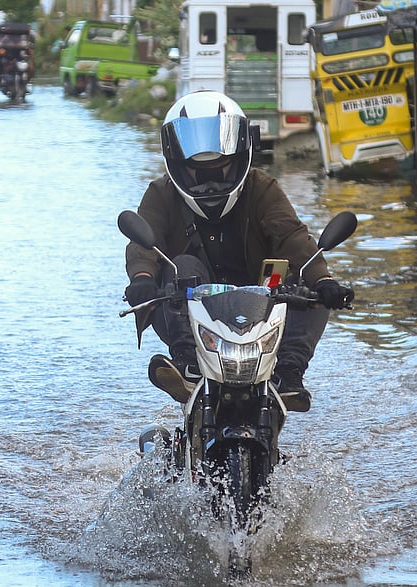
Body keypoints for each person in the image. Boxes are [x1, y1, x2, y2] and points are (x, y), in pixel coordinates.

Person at [123, 91, 355, 412]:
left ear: (240, 154)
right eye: (198, 171)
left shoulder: (262, 189)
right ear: (176, 161)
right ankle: (187, 364)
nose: (209, 181)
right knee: (182, 265)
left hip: (259, 314)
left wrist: (324, 280)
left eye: (219, 169)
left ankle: (288, 374)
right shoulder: (161, 193)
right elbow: (142, 245)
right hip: (192, 314)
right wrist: (142, 278)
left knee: (305, 287)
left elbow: (293, 238)